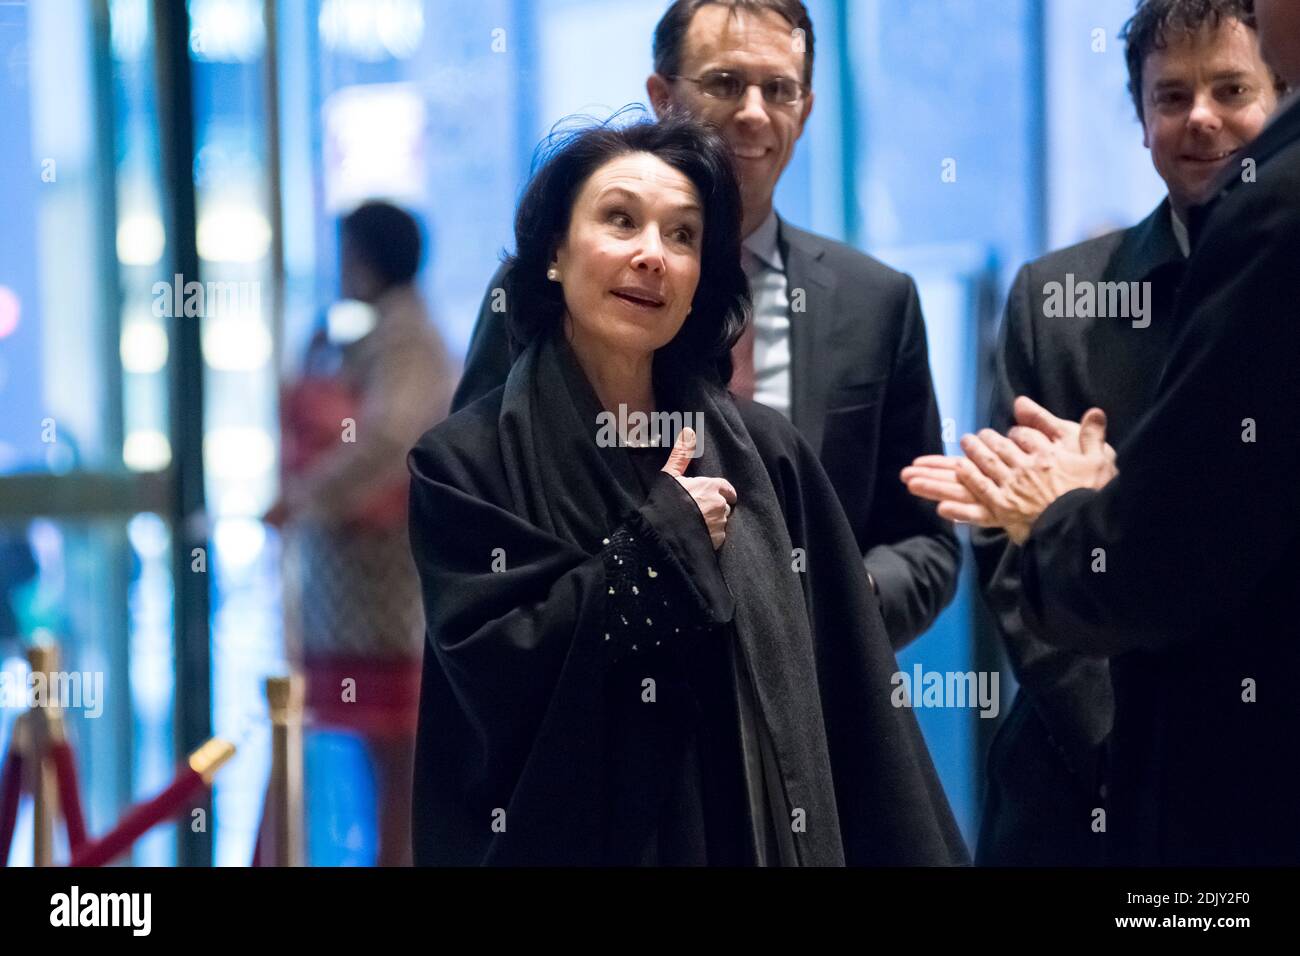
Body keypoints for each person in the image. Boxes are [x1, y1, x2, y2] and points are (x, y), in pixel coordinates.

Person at [408, 115, 968, 866]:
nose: (651, 256)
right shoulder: (463, 464)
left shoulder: (765, 454)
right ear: (553, 252)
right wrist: (655, 550)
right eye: (620, 220)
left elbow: (856, 700)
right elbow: (497, 679)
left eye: (682, 236)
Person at [902, 0, 1300, 865]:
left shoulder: (1276, 251)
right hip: (1072, 786)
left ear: (1281, 91)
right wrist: (1117, 744)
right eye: (1170, 96)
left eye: (1231, 88)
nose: (1200, 117)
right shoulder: (1056, 300)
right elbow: (1011, 550)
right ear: (1142, 121)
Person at [451, 0, 958, 648]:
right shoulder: (560, 290)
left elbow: (925, 541)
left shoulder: (876, 301)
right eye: (724, 83)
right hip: (603, 686)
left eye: (779, 90)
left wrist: (844, 597)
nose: (753, 112)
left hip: (805, 707)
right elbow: (477, 505)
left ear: (804, 111)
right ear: (662, 96)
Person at [268, 201, 456, 866]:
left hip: (386, 576)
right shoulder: (368, 333)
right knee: (381, 741)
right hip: (358, 577)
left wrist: (307, 497)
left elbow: (387, 439)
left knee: (397, 741)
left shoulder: (407, 339)